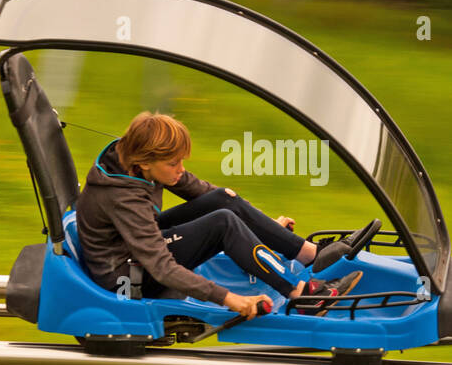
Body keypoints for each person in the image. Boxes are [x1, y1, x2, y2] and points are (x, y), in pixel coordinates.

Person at [76, 112, 362, 319]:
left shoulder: (134, 157)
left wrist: (259, 229)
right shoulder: (124, 198)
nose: (180, 169)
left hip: (134, 246)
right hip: (129, 277)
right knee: (222, 223)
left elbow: (203, 192)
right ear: (143, 163)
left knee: (224, 200)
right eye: (173, 163)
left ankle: (310, 254)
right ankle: (302, 295)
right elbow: (161, 268)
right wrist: (230, 299)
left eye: (182, 161)